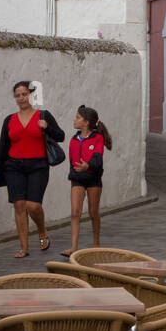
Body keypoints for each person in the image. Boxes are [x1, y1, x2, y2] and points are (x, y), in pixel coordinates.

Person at [0, 80, 66, 259]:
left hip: (38, 165)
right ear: (15, 98)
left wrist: (47, 128)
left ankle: (42, 232)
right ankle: (24, 248)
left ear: (30, 95)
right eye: (18, 95)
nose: (21, 98)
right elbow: (2, 147)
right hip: (13, 166)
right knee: (19, 205)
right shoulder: (9, 120)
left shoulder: (43, 115)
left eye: (24, 94)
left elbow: (61, 136)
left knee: (33, 205)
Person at [62, 105, 112, 256]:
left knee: (93, 212)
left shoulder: (98, 138)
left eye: (77, 117)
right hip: (77, 179)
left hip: (93, 179)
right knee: (75, 212)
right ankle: (73, 247)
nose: (74, 120)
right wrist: (75, 172)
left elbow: (98, 160)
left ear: (86, 122)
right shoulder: (73, 139)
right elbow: (72, 161)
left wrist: (88, 166)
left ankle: (96, 243)